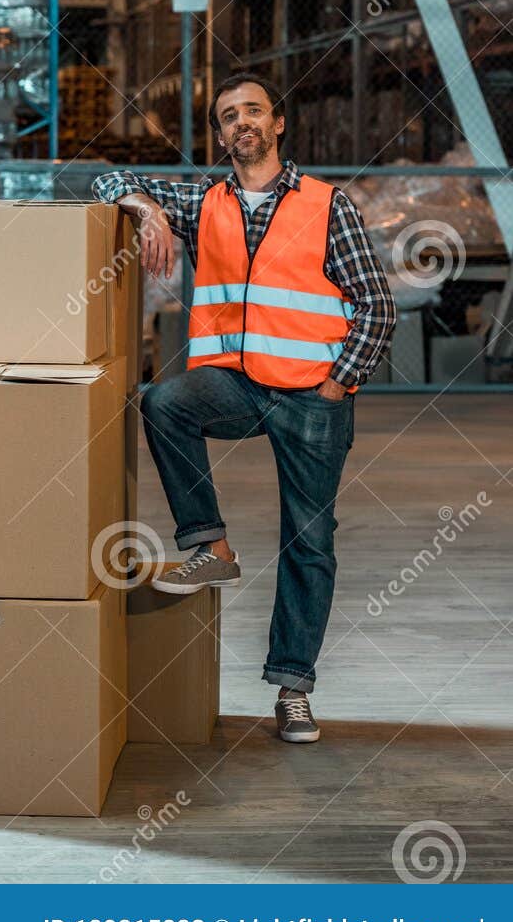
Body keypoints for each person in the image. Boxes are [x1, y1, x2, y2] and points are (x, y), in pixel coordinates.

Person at [93, 71, 395, 744]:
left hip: (313, 395)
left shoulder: (326, 205)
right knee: (164, 403)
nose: (242, 123)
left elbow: (376, 303)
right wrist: (145, 210)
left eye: (253, 111)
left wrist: (340, 381)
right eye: (229, 116)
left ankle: (293, 688)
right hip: (236, 384)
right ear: (222, 134)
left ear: (277, 123)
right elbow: (106, 181)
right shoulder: (205, 203)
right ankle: (211, 544)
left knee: (309, 541)